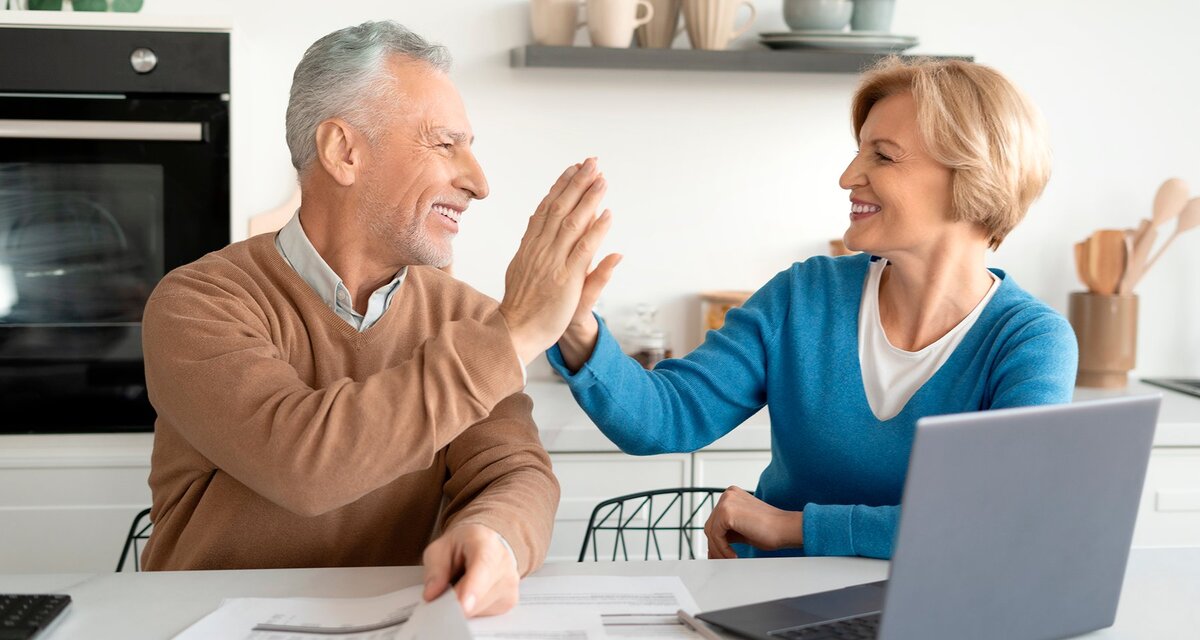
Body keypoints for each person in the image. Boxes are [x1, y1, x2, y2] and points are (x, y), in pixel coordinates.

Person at [141, 21, 613, 617]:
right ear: (344, 151)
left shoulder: (467, 317)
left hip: (393, 626)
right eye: (445, 144)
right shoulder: (198, 303)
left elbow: (512, 472)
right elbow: (304, 464)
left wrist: (494, 536)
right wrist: (515, 334)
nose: (479, 182)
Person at [544, 56, 1078, 560]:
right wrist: (575, 328)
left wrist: (790, 526)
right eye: (858, 150)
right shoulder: (806, 297)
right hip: (772, 601)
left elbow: (1000, 519)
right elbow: (665, 418)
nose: (849, 177)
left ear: (972, 177)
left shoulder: (1029, 342)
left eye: (883, 155)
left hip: (929, 611)